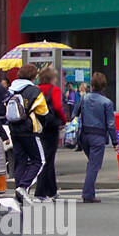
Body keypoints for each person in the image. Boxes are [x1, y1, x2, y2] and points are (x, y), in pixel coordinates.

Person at [4, 63, 50, 203]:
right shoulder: (34, 91)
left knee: (20, 162)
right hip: (30, 130)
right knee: (39, 161)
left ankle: (19, 195)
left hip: (14, 130)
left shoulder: (10, 90)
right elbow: (44, 112)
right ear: (33, 76)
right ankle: (23, 187)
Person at [75, 72, 118, 204]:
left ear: (92, 85)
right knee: (94, 165)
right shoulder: (107, 103)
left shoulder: (84, 98)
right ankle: (88, 193)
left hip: (84, 135)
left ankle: (90, 191)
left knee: (91, 164)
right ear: (103, 86)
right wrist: (115, 141)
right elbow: (110, 124)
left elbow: (75, 113)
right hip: (98, 136)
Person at [33, 66, 66, 203]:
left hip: (39, 126)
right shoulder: (54, 90)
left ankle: (52, 191)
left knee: (47, 158)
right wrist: (63, 120)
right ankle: (40, 192)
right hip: (52, 126)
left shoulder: (36, 89)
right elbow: (58, 107)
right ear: (52, 78)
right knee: (48, 160)